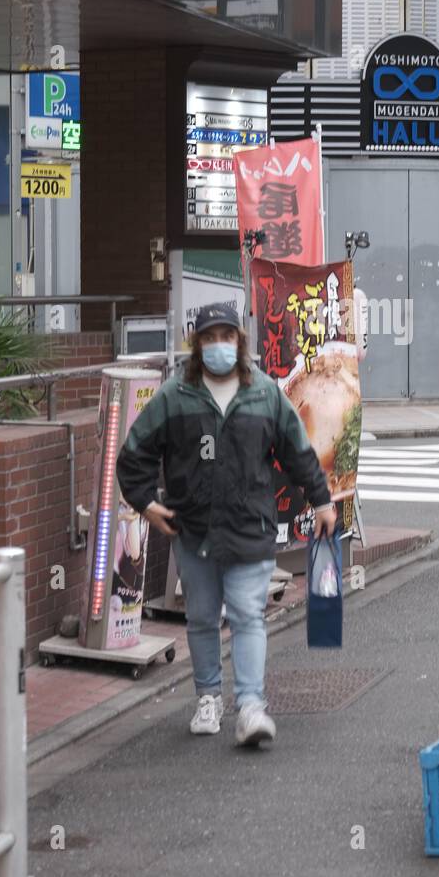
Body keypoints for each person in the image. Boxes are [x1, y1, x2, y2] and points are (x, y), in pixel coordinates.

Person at [116, 302, 337, 745]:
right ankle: (208, 698)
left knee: (247, 614)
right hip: (191, 529)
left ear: (240, 342)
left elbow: (297, 450)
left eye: (227, 336)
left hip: (250, 525)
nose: (219, 345)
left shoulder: (265, 394)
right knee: (200, 618)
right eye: (210, 337)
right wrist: (145, 504)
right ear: (198, 345)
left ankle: (251, 706)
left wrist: (322, 500)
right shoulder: (174, 396)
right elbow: (134, 454)